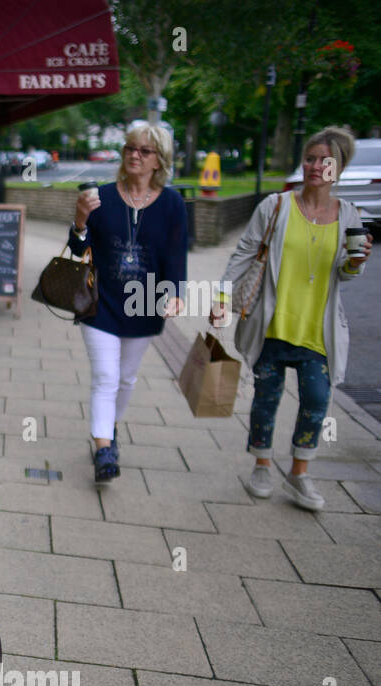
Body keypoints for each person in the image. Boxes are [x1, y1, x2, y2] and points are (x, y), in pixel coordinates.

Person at [210, 126, 372, 510]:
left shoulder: (350, 214)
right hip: (272, 324)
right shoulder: (276, 207)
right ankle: (262, 465)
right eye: (310, 158)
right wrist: (219, 297)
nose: (316, 167)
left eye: (325, 161)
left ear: (340, 168)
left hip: (317, 329)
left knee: (317, 399)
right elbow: (244, 253)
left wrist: (357, 262)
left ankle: (300, 474)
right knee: (267, 396)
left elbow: (346, 273)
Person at [70, 123, 188, 484]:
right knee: (105, 377)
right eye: (129, 148)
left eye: (144, 151)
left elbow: (175, 253)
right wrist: (79, 219)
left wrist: (177, 293)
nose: (134, 155)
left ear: (159, 161)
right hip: (100, 304)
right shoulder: (101, 197)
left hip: (145, 303)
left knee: (126, 378)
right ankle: (104, 448)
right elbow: (77, 248)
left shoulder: (171, 203)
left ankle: (110, 427)